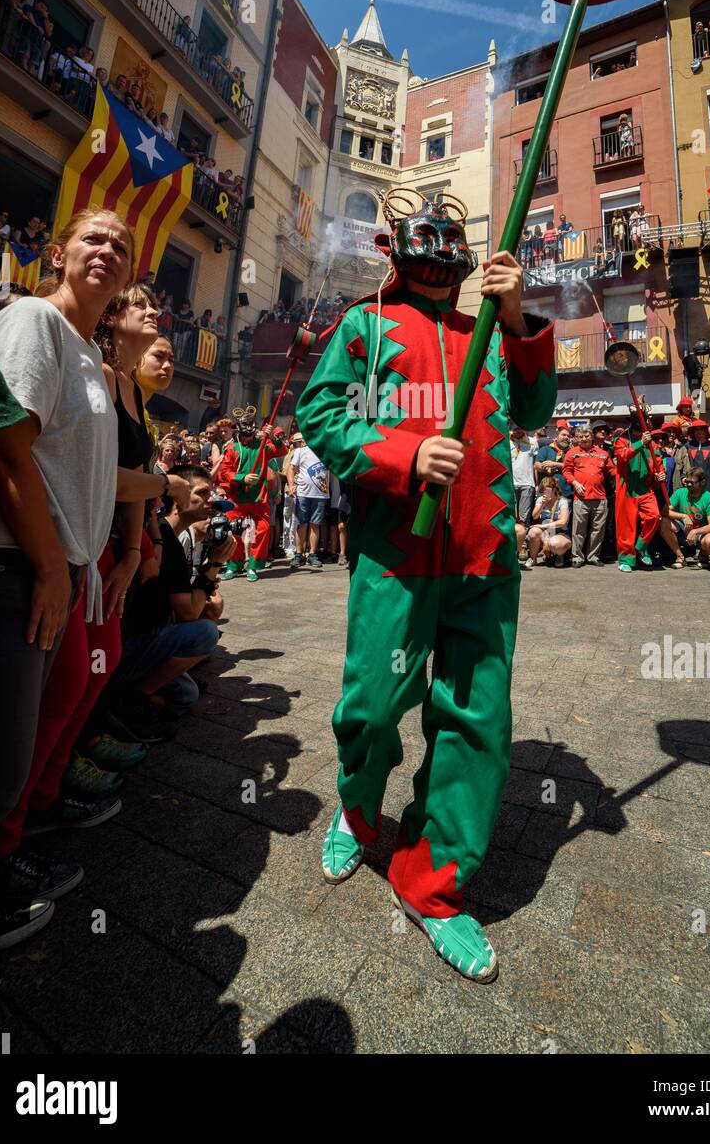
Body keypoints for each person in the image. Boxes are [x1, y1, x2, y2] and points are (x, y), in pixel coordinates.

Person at [294, 189, 556, 983]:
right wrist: (402, 458)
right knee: (371, 705)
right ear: (396, 245)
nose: (441, 249)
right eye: (426, 235)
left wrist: (514, 321)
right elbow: (322, 412)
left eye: (454, 235)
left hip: (485, 555)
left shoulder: (489, 327)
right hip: (396, 553)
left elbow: (535, 410)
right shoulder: (365, 323)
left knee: (476, 726)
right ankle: (357, 806)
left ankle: (432, 883)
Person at [0, 210, 131, 951]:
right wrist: (46, 568)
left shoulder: (90, 353)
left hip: (53, 570)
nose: (108, 250)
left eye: (122, 246)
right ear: (57, 253)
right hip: (10, 562)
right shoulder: (34, 317)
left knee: (26, 739)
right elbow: (5, 450)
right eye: (94, 238)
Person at [104, 467, 235, 736]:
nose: (210, 501)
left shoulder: (172, 537)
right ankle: (132, 699)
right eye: (201, 493)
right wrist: (215, 565)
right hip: (124, 648)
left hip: (141, 640)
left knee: (187, 694)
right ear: (176, 495)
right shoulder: (165, 540)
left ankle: (140, 692)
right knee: (204, 633)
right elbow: (189, 612)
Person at [216, 415, 285, 581]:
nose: (249, 437)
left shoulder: (262, 445)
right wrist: (242, 478)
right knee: (234, 530)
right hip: (237, 496)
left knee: (263, 529)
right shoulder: (232, 448)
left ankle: (253, 566)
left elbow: (281, 451)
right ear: (239, 431)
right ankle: (234, 565)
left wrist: (273, 437)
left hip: (259, 496)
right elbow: (224, 472)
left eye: (251, 434)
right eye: (245, 434)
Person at [614, 413, 663, 572]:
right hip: (627, 489)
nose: (639, 430)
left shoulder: (652, 445)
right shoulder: (621, 439)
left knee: (654, 516)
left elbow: (658, 464)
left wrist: (660, 474)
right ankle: (626, 559)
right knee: (626, 527)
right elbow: (622, 456)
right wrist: (640, 443)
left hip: (645, 489)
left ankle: (641, 546)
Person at [562, 422, 614, 567]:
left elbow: (613, 471)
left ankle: (593, 556)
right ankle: (577, 558)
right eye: (580, 436)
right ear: (576, 439)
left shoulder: (603, 454)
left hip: (600, 498)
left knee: (598, 530)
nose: (584, 439)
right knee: (579, 530)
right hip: (581, 498)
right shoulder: (572, 453)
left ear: (591, 436)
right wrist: (575, 483)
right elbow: (566, 471)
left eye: (586, 436)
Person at [287, 429, 330, 570]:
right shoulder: (301, 451)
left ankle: (312, 554)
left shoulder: (326, 451)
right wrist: (292, 485)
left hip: (321, 493)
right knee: (301, 524)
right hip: (303, 493)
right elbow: (291, 469)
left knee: (315, 524)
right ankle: (299, 554)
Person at [668, 468, 710, 568]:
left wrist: (695, 531)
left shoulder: (709, 497)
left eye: (692, 482)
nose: (688, 485)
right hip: (684, 531)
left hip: (701, 535)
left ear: (702, 482)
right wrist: (683, 516)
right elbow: (665, 511)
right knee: (664, 522)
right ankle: (680, 557)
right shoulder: (680, 492)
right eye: (687, 481)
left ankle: (703, 555)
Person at [526, 476, 571, 566]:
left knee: (554, 543)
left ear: (554, 489)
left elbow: (563, 522)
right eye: (543, 490)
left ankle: (559, 555)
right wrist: (543, 504)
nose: (545, 493)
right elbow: (534, 516)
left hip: (560, 533)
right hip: (546, 534)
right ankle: (533, 558)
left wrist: (543, 526)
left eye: (547, 490)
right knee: (533, 532)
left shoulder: (562, 501)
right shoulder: (540, 499)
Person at [510, 425, 537, 561]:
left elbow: (534, 465)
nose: (518, 431)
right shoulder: (507, 442)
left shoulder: (532, 442)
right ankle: (511, 547)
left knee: (524, 518)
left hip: (527, 484)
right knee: (511, 516)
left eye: (520, 428)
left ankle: (522, 547)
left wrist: (536, 484)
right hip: (511, 484)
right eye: (515, 429)